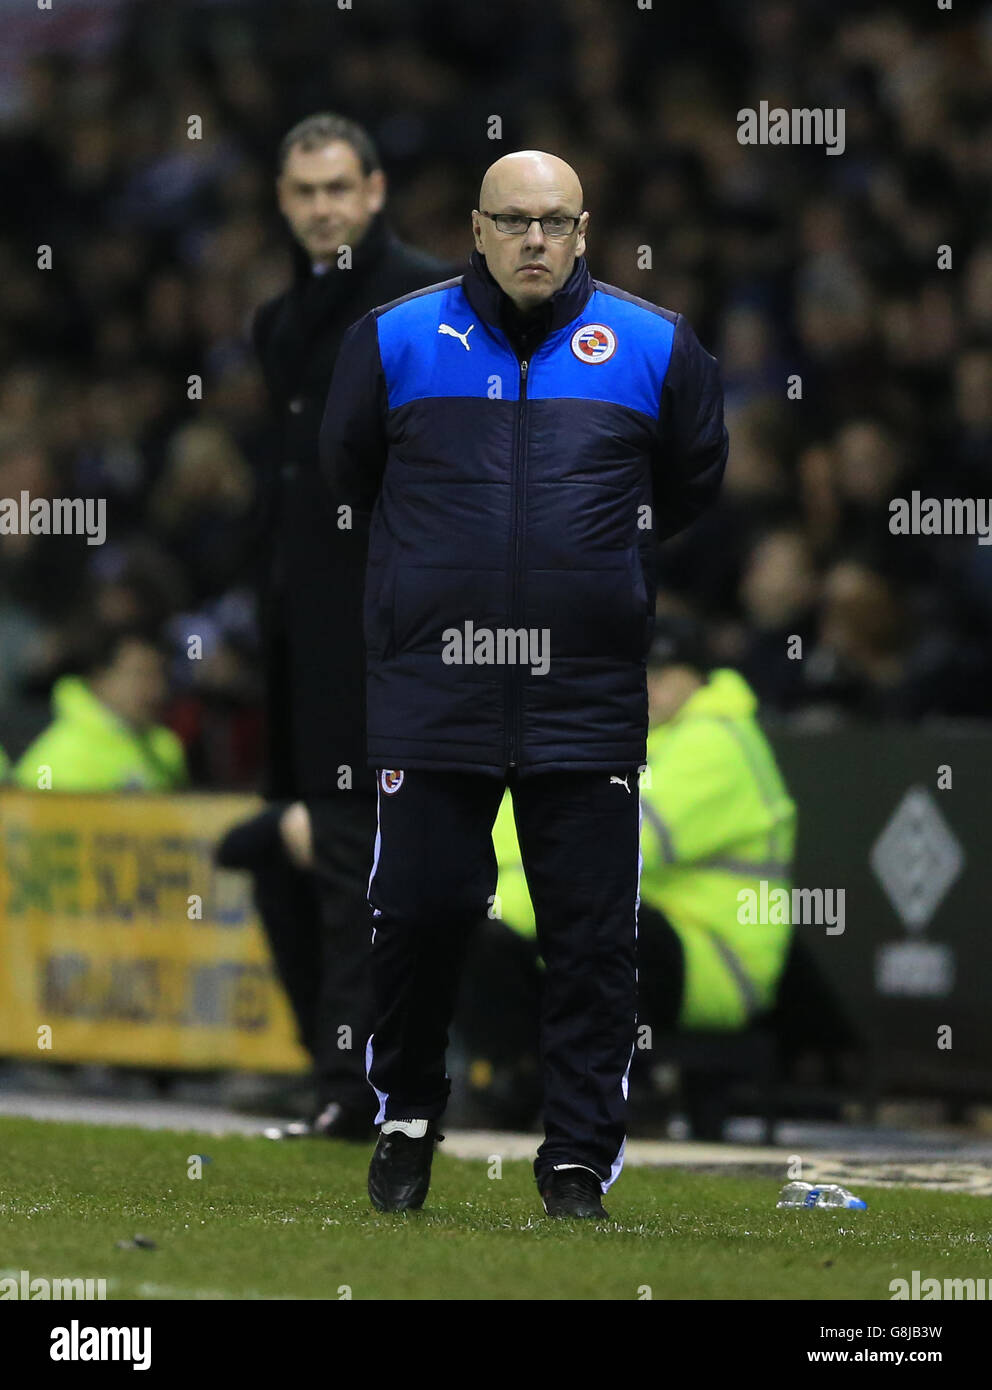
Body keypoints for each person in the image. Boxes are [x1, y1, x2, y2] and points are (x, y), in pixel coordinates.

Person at [321, 149, 727, 1219]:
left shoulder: (652, 346)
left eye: (553, 222)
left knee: (594, 941)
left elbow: (690, 482)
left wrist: (588, 573)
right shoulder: (395, 338)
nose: (534, 240)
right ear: (476, 227)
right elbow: (347, 466)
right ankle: (407, 1113)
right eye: (513, 221)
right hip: (433, 690)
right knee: (416, 913)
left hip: (582, 695)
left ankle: (576, 1162)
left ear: (583, 229)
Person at [216, 114, 453, 1141]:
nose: (321, 208)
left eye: (337, 189)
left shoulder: (425, 303)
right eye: (303, 191)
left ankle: (368, 1088)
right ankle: (340, 1076)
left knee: (365, 862)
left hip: (388, 632)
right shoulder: (278, 320)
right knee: (307, 855)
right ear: (283, 199)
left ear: (374, 190)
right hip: (299, 638)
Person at [455, 619, 797, 1135]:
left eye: (662, 673)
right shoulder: (635, 735)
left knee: (604, 919)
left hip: (716, 961)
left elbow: (617, 848)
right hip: (633, 925)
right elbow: (514, 828)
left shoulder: (719, 741)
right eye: (639, 674)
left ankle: (626, 1092)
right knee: (484, 934)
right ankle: (517, 1080)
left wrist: (496, 896)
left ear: (698, 677)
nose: (648, 687)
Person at [12, 626, 187, 792]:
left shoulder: (166, 747)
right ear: (99, 676)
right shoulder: (56, 753)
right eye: (140, 674)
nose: (155, 690)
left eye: (160, 675)